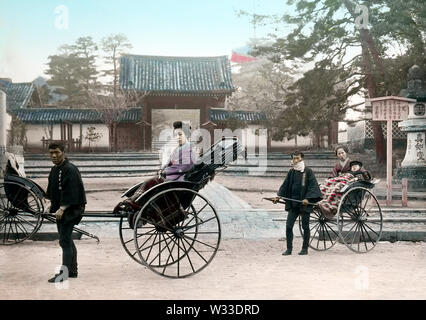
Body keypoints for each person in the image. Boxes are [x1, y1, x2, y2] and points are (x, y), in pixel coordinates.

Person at [114, 121, 196, 214]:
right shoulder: (179, 148)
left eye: (180, 135)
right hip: (172, 177)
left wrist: (166, 171)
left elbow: (183, 167)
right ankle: (135, 201)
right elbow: (170, 162)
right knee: (150, 182)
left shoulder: (188, 150)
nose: (177, 137)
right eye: (176, 135)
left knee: (153, 182)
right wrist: (163, 169)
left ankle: (137, 203)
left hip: (177, 180)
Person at [46, 142, 86, 283]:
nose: (54, 156)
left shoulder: (70, 169)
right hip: (61, 209)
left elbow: (72, 192)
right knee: (67, 239)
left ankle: (63, 274)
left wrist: (62, 208)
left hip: (72, 208)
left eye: (57, 152)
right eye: (51, 153)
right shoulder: (55, 169)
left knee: (64, 240)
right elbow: (52, 190)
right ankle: (73, 271)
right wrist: (49, 204)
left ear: (63, 152)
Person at [272, 151, 322, 256]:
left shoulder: (308, 172)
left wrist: (308, 199)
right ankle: (289, 249)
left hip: (304, 204)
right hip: (293, 203)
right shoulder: (291, 172)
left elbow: (313, 187)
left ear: (302, 159)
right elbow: (285, 186)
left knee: (305, 227)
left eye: (297, 158)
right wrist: (278, 196)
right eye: (294, 158)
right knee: (289, 226)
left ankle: (304, 249)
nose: (295, 160)